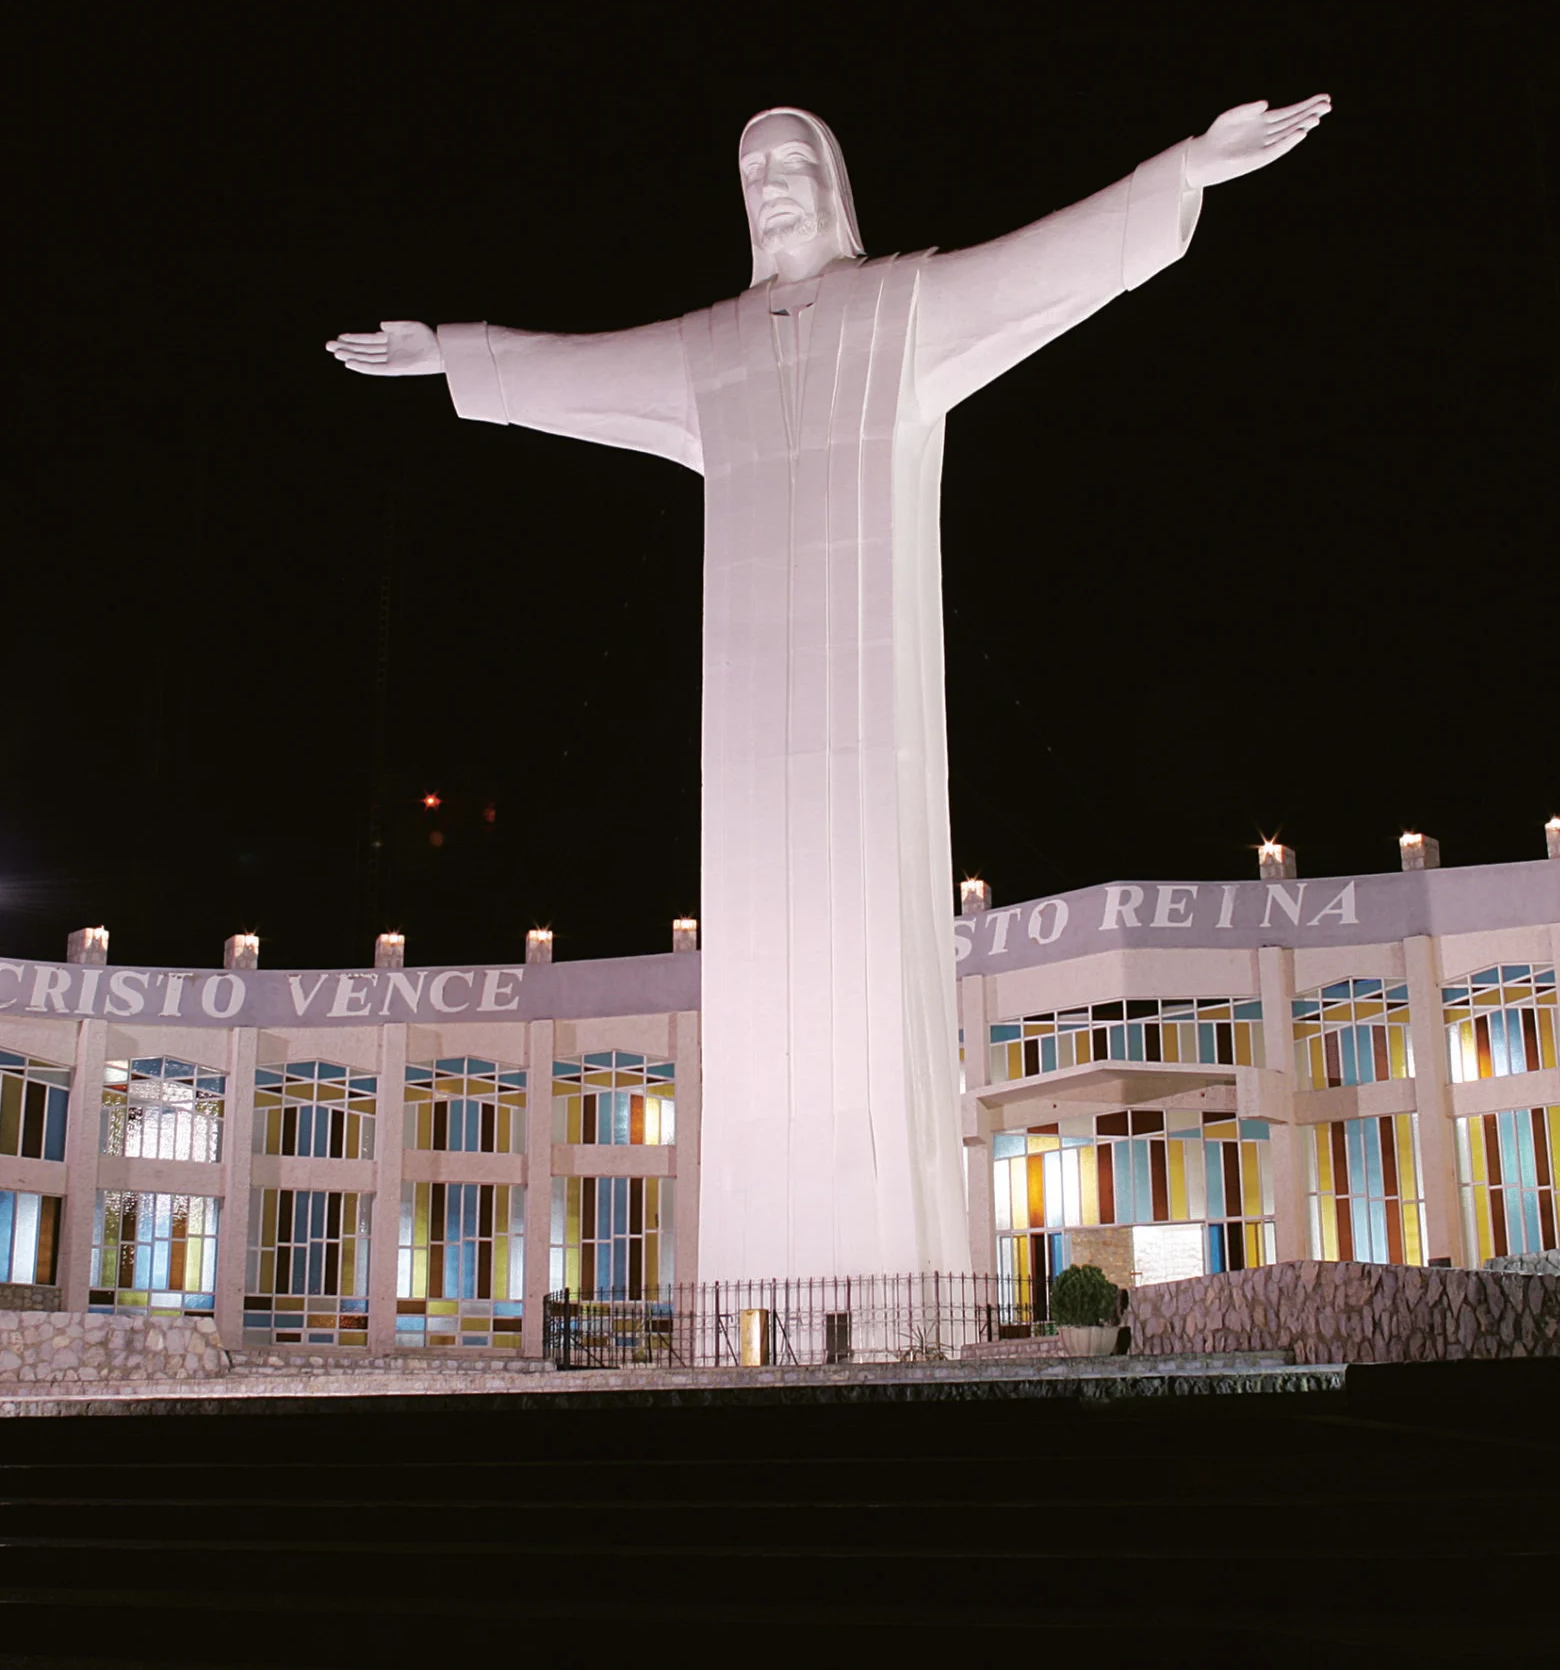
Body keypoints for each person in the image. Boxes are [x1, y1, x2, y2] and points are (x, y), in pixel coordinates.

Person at [327, 96, 1330, 1280]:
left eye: (793, 159)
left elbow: (1037, 268)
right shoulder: (708, 349)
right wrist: (459, 351)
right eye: (751, 169)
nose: (771, 183)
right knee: (759, 1006)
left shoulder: (902, 306)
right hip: (751, 757)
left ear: (837, 180)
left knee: (869, 1003)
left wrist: (1182, 173)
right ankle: (755, 1296)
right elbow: (579, 369)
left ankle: (893, 1296)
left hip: (871, 737)